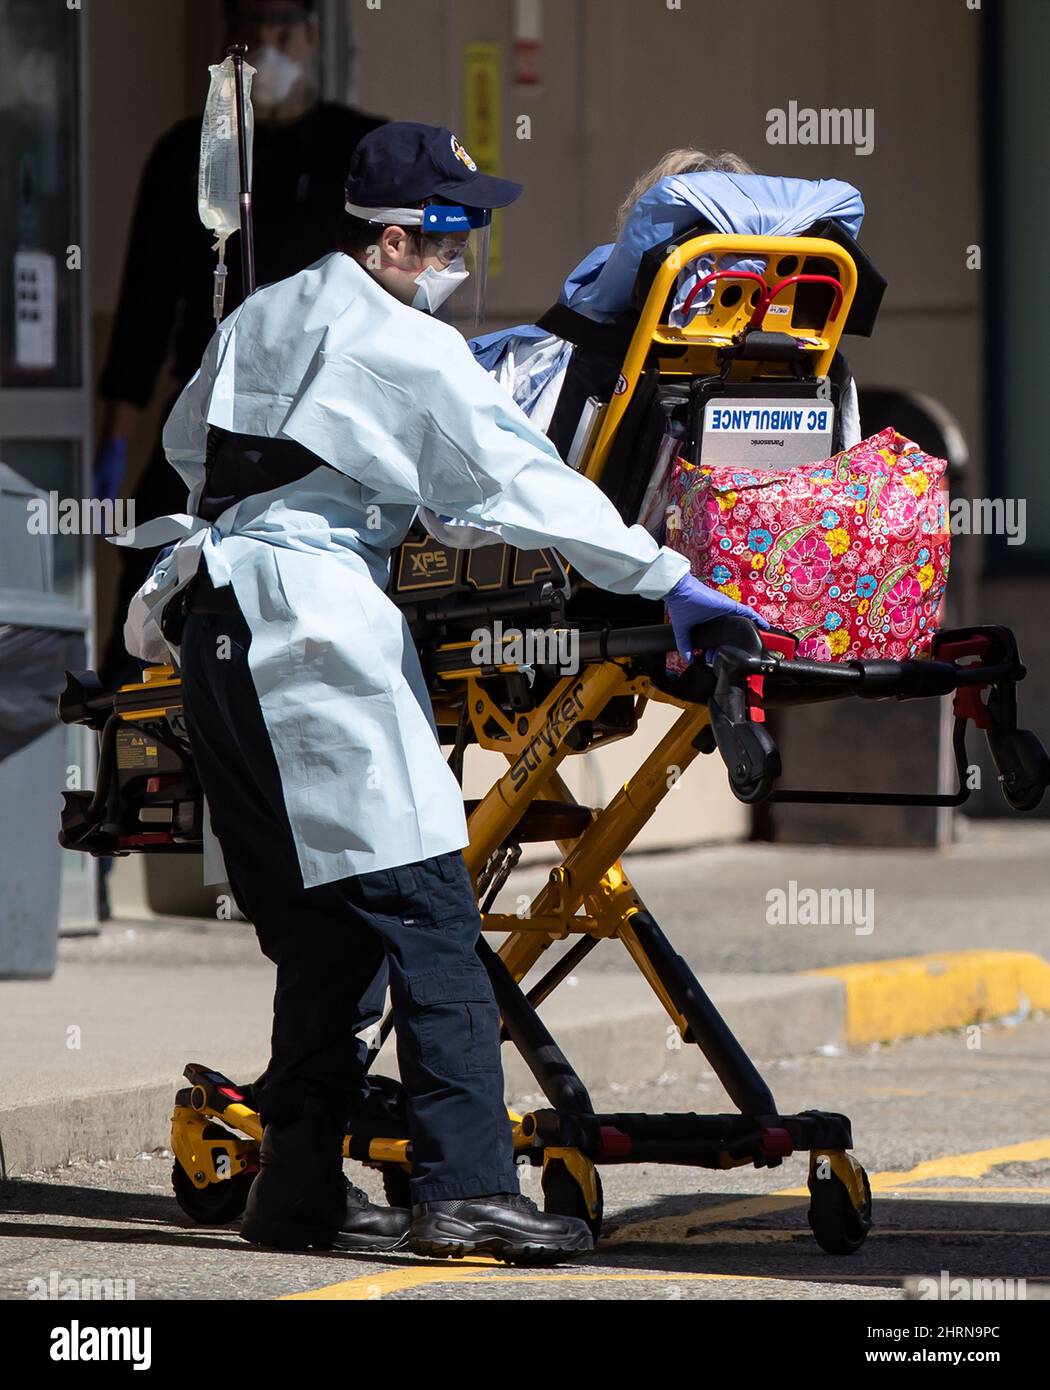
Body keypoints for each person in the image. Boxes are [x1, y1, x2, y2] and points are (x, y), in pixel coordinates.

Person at [120, 121, 761, 1264]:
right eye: (460, 229)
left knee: (326, 938)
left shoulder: (263, 311)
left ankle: (300, 1188)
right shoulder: (407, 346)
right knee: (426, 912)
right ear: (400, 238)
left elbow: (186, 442)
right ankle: (464, 1186)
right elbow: (522, 480)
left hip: (211, 622)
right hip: (311, 631)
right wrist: (667, 577)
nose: (472, 250)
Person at [94, 0, 384, 691]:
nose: (266, 47)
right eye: (251, 33)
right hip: (209, 420)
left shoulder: (356, 153)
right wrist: (114, 442)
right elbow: (142, 312)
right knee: (153, 592)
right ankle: (124, 759)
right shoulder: (187, 156)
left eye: (282, 30)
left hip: (324, 426)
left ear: (312, 38)